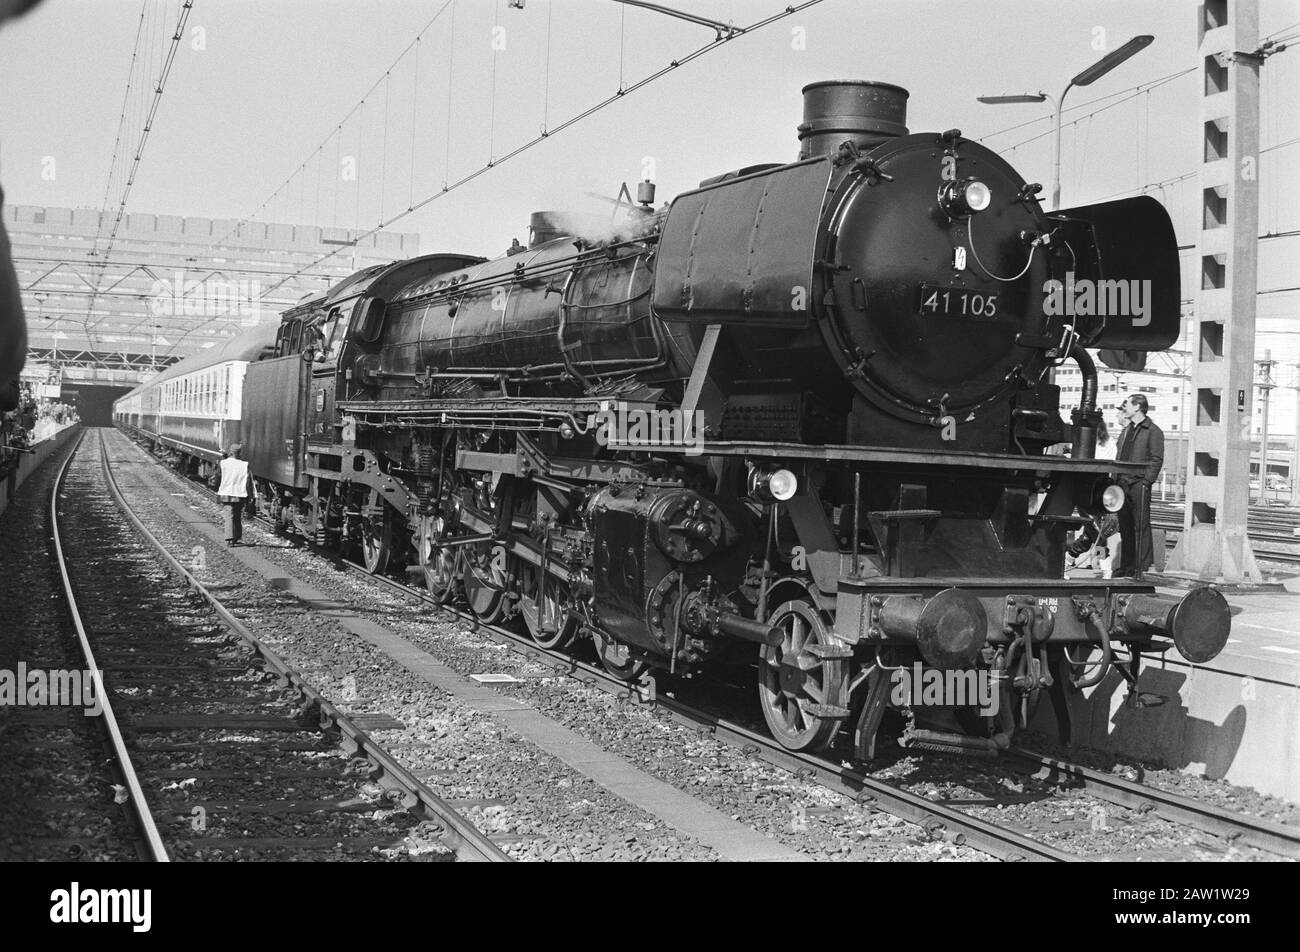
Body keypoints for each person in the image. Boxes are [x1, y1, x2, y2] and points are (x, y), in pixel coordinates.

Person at [1114, 395, 1164, 579]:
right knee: (1125, 526)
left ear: (1137, 407)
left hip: (1138, 484)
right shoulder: (1127, 430)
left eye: (1126, 404)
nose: (1124, 408)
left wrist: (1146, 482)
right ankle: (1127, 565)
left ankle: (1141, 567)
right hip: (1122, 483)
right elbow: (1119, 454)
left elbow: (1156, 459)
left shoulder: (1153, 431)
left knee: (1140, 526)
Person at [217, 443, 253, 546]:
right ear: (240, 453)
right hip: (239, 494)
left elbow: (218, 476)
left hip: (226, 492)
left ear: (230, 452)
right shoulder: (245, 465)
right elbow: (248, 482)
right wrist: (250, 496)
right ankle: (237, 537)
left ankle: (229, 538)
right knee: (237, 515)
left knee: (229, 515)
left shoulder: (223, 463)